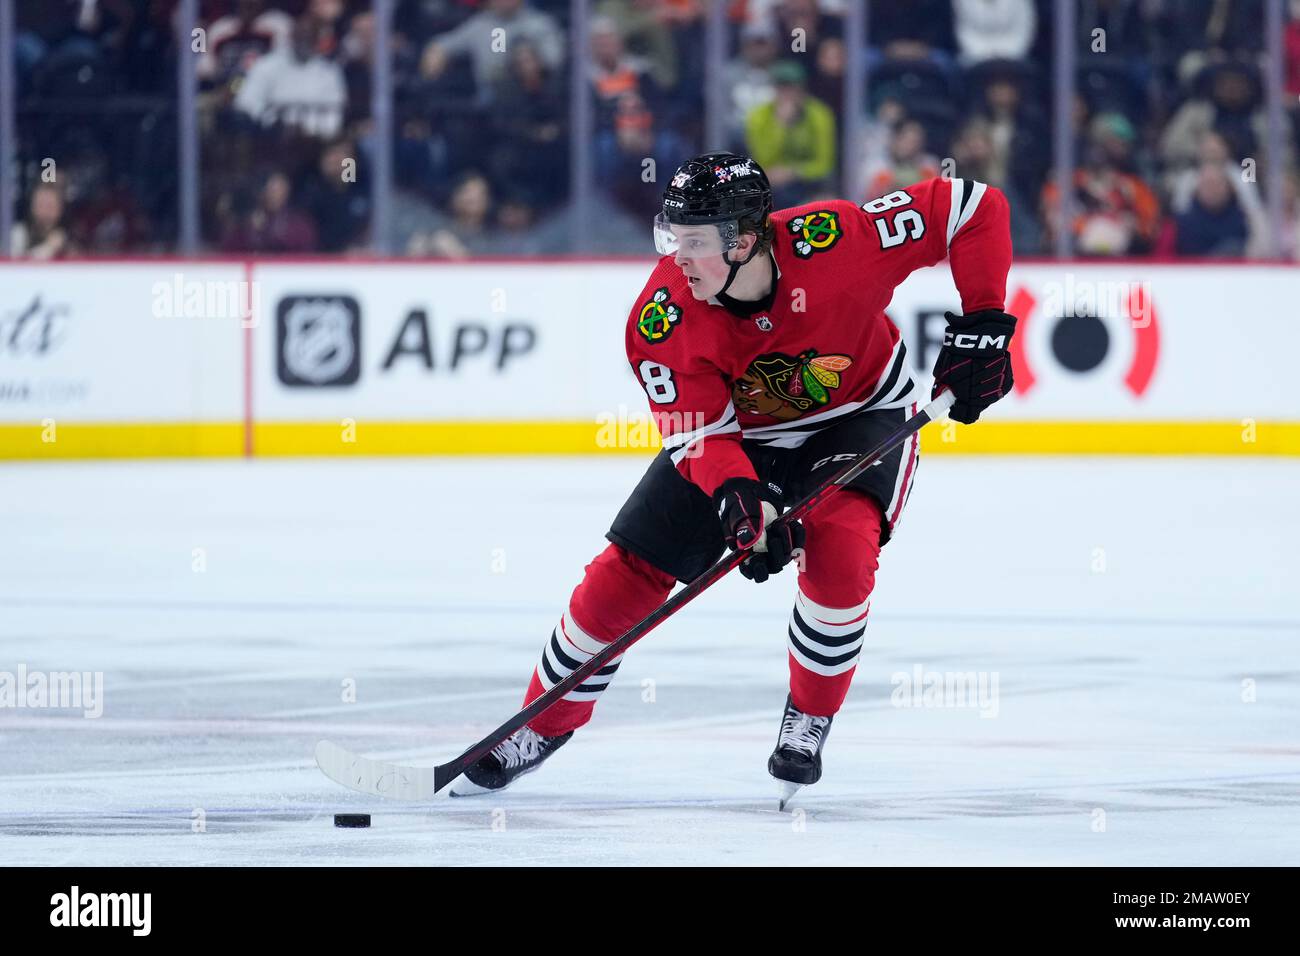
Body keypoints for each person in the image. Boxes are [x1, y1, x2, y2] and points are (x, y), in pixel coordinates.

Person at [450, 152, 1016, 803]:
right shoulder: (663, 320)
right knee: (629, 569)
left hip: (861, 413)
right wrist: (739, 503)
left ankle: (809, 715)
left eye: (693, 243)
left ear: (745, 241)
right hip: (735, 436)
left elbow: (975, 208)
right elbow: (699, 435)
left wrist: (983, 325)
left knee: (841, 545)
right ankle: (541, 726)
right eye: (672, 238)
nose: (676, 259)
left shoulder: (838, 241)